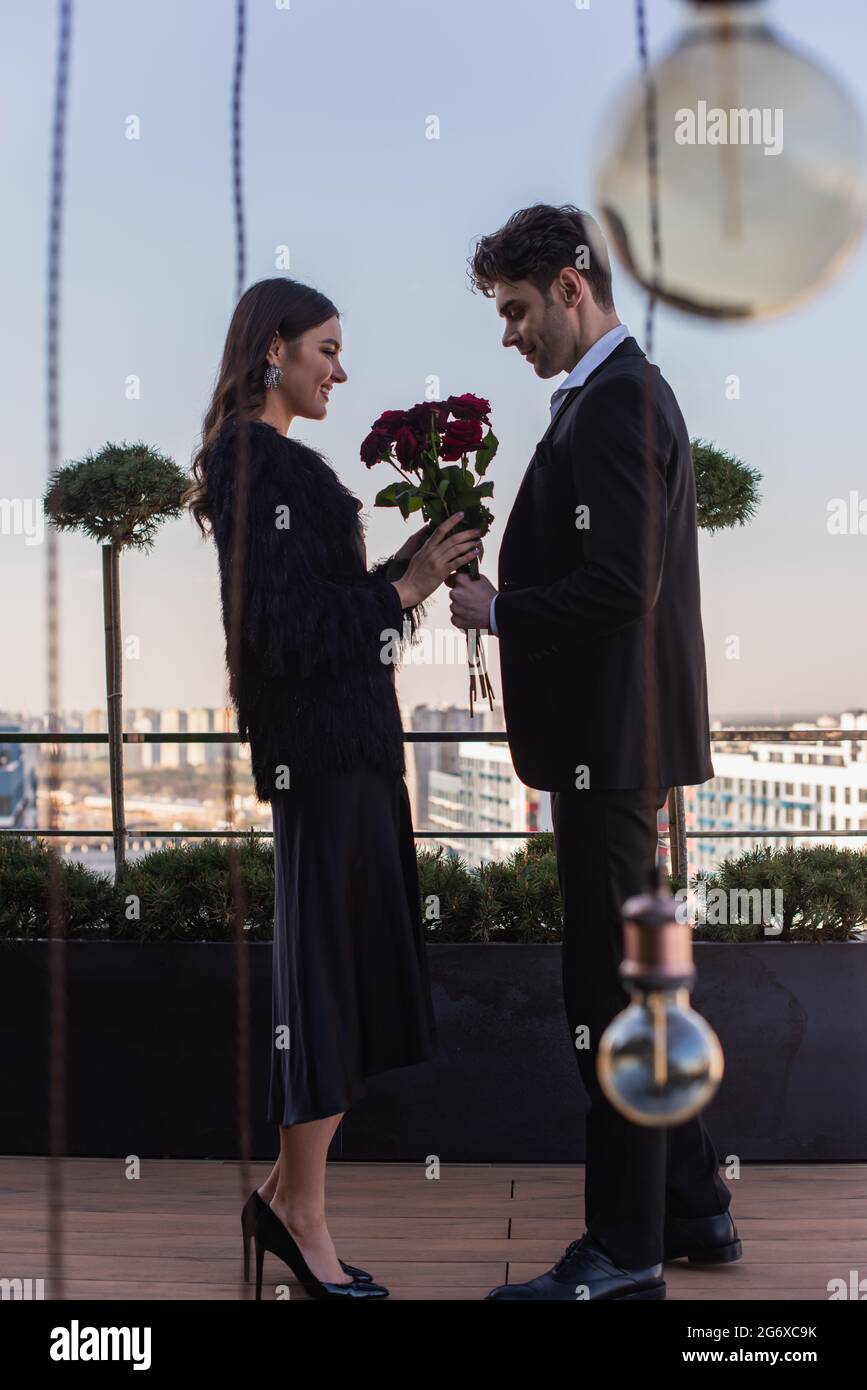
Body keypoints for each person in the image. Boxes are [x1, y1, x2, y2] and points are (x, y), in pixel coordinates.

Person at [449, 204, 740, 1301]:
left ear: (573, 285)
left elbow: (622, 588)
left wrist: (498, 608)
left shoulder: (616, 402)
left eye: (518, 310)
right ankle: (695, 1204)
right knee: (637, 989)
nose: (510, 335)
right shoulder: (619, 396)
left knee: (608, 1000)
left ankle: (624, 1251)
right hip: (616, 749)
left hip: (608, 752)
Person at [186, 276, 481, 1300]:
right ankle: (299, 1215)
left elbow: (343, 626)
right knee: (324, 990)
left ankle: (283, 1200)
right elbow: (281, 633)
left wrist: (417, 567)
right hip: (320, 760)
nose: (341, 371)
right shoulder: (248, 461)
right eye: (327, 349)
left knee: (344, 982)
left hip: (348, 752)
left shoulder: (276, 465)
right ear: (275, 347)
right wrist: (401, 585)